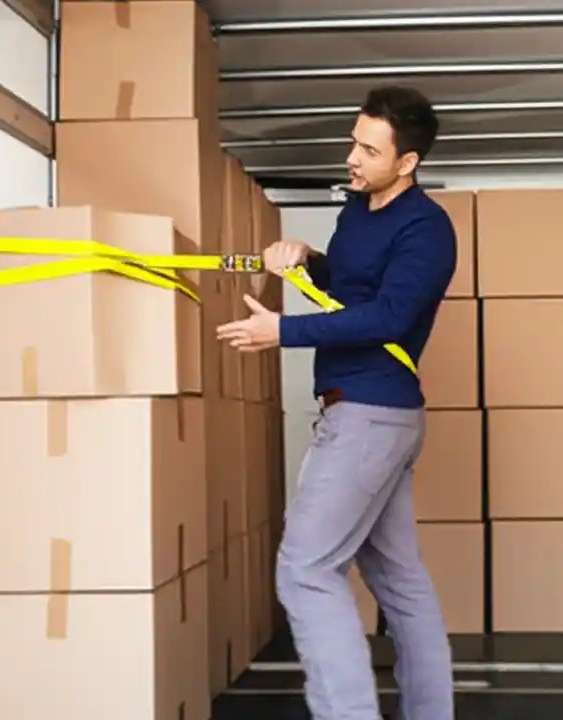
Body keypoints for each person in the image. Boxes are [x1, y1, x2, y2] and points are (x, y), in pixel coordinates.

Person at [215, 85, 456, 720]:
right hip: (370, 415)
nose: (352, 157)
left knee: (305, 570)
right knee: (399, 581)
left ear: (407, 162)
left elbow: (389, 316)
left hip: (371, 416)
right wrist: (306, 261)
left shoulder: (427, 228)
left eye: (370, 150)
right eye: (354, 142)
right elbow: (351, 287)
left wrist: (282, 331)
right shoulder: (357, 209)